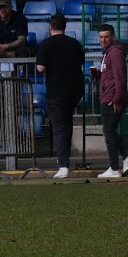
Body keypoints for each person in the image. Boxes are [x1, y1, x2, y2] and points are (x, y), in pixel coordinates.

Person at [34, 13, 87, 180]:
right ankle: (65, 160)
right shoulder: (75, 44)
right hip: (75, 89)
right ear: (65, 27)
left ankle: (63, 165)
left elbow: (40, 68)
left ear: (50, 27)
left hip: (56, 90)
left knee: (58, 128)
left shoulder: (46, 44)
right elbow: (80, 63)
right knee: (67, 124)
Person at [91, 23, 128, 180]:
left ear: (113, 36)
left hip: (112, 98)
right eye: (101, 37)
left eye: (106, 36)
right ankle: (127, 157)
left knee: (109, 132)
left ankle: (115, 167)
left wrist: (117, 98)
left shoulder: (114, 52)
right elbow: (111, 76)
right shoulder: (110, 52)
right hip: (110, 96)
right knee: (111, 130)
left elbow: (120, 77)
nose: (103, 40)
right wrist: (98, 75)